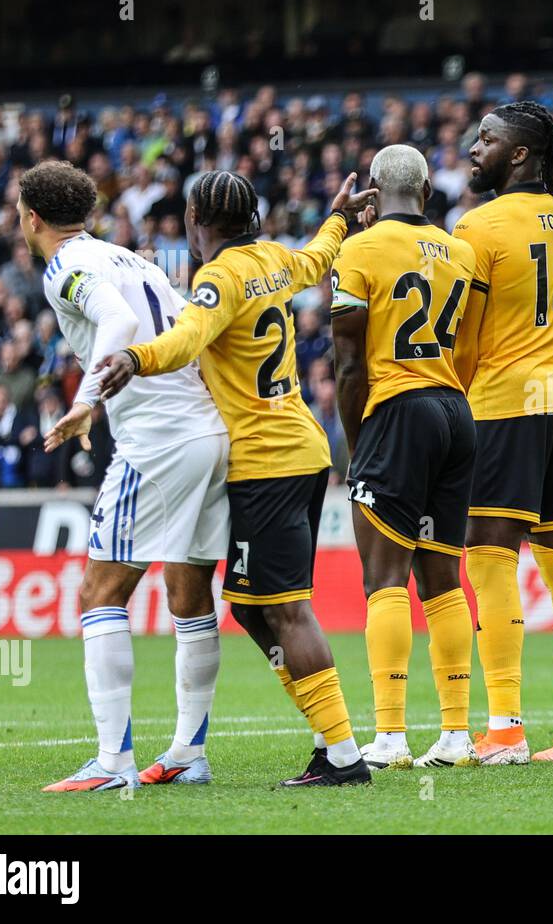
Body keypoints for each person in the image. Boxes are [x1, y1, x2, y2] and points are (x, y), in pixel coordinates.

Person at [96, 169, 375, 786]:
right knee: (250, 605)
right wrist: (336, 216)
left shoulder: (217, 277)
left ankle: (344, 755)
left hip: (266, 461)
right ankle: (333, 745)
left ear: (197, 222)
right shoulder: (273, 257)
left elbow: (188, 337)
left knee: (285, 610)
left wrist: (132, 357)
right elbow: (317, 258)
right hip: (301, 449)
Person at [17, 160, 230, 792]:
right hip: (208, 432)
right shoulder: (134, 258)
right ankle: (189, 751)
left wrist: (87, 401)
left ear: (31, 218)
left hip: (157, 442)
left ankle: (112, 763)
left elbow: (118, 324)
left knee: (98, 593)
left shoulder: (66, 267)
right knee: (189, 595)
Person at [451, 101, 553, 765]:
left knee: (489, 558)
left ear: (518, 155)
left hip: (506, 401)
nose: (471, 148)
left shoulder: (478, 225)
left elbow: (465, 336)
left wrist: (449, 404)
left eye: (485, 140)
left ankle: (505, 728)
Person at [330, 145, 479, 769]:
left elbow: (347, 361)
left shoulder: (358, 250)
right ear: (425, 189)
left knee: (384, 578)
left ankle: (389, 736)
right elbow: (468, 347)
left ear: (372, 188)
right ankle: (456, 734)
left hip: (396, 410)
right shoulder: (462, 253)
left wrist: (358, 444)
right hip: (454, 407)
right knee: (443, 577)